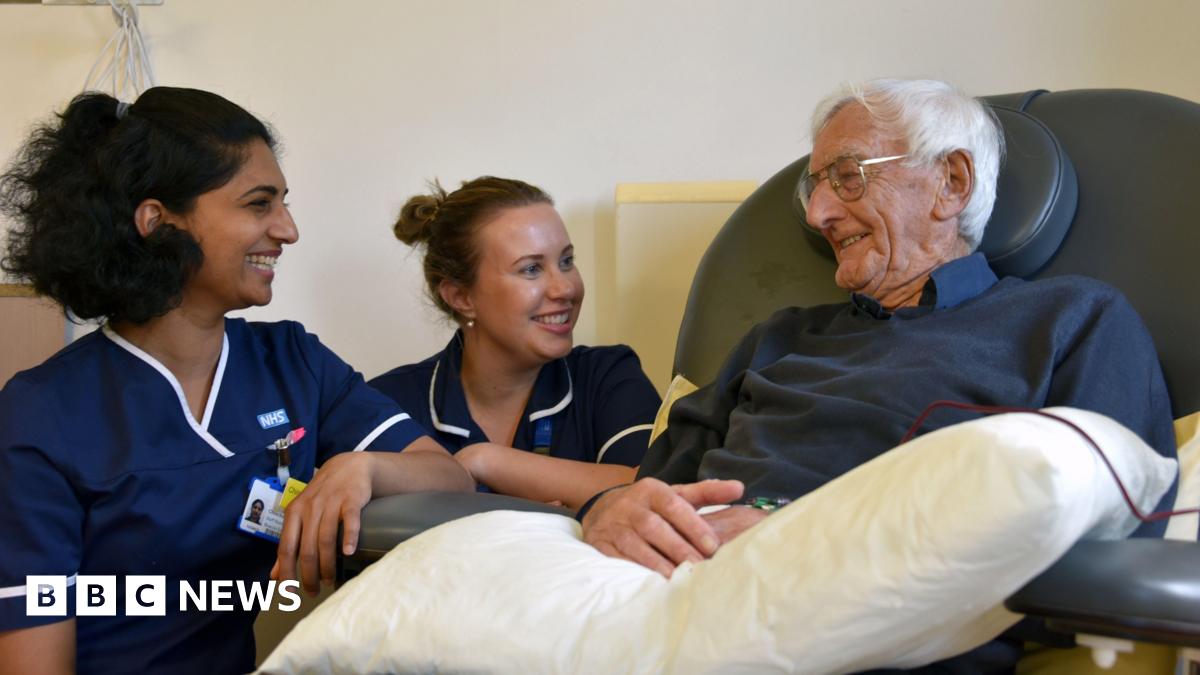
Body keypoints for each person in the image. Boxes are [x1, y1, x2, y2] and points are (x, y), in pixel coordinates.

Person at [580, 79, 1178, 672]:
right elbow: (651, 490)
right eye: (814, 188)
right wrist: (608, 509)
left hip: (864, 632)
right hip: (659, 608)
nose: (818, 214)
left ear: (952, 183)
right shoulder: (779, 337)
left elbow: (1108, 543)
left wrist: (794, 539)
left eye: (847, 177)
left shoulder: (1071, 322)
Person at [0, 87, 473, 675]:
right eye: (258, 204)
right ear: (158, 222)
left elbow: (450, 479)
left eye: (284, 203)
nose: (288, 229)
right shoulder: (43, 412)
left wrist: (364, 466)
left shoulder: (292, 362)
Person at [369, 177, 662, 509]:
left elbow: (652, 490)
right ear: (461, 296)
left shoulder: (607, 374)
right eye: (532, 269)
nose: (564, 288)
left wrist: (483, 461)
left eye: (566, 261)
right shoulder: (389, 403)